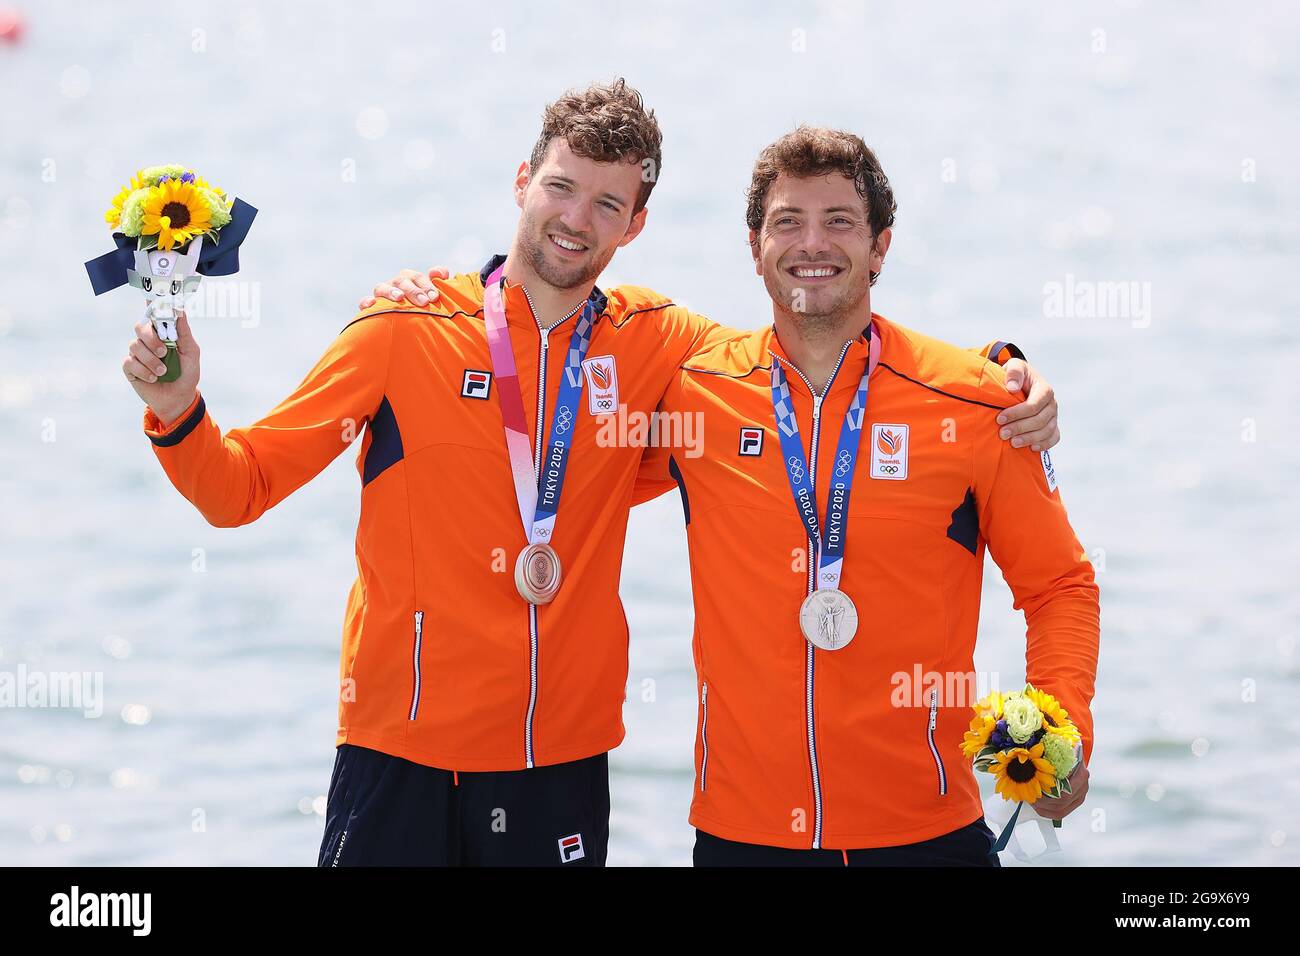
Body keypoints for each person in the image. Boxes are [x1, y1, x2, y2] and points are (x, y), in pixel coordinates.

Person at [121, 79, 1059, 866]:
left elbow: (818, 355)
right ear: (523, 180)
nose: (577, 221)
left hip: (560, 771)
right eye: (562, 190)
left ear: (636, 223)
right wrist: (177, 411)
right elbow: (236, 490)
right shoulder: (401, 331)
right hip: (398, 763)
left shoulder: (660, 344)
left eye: (607, 204)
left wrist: (999, 374)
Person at [630, 126, 1100, 866]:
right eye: (787, 222)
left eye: (839, 222)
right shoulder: (695, 393)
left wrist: (1059, 731)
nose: (811, 243)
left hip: (927, 834)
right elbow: (560, 419)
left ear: (880, 247)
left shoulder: (977, 402)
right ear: (754, 246)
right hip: (741, 836)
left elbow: (1059, 587)